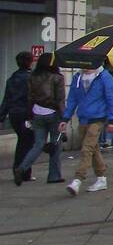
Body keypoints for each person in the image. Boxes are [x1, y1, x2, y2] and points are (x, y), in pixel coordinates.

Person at [60, 62, 113, 196]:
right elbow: (72, 99)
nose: (85, 66)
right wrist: (65, 118)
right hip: (83, 118)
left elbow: (112, 97)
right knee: (93, 149)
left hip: (98, 118)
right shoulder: (77, 77)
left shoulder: (104, 76)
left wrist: (112, 119)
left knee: (86, 149)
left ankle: (78, 179)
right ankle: (101, 178)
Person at [16, 52, 65, 185]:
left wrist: (30, 114)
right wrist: (64, 118)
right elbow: (60, 100)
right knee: (56, 144)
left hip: (37, 112)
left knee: (38, 144)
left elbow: (30, 97)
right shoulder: (58, 78)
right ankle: (54, 175)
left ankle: (22, 168)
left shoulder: (33, 77)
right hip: (53, 113)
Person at [1, 50, 35, 182]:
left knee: (23, 141)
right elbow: (31, 97)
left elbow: (7, 99)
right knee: (28, 142)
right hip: (26, 114)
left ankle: (20, 169)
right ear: (30, 62)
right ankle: (23, 170)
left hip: (14, 114)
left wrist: (2, 116)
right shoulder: (30, 77)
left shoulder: (12, 78)